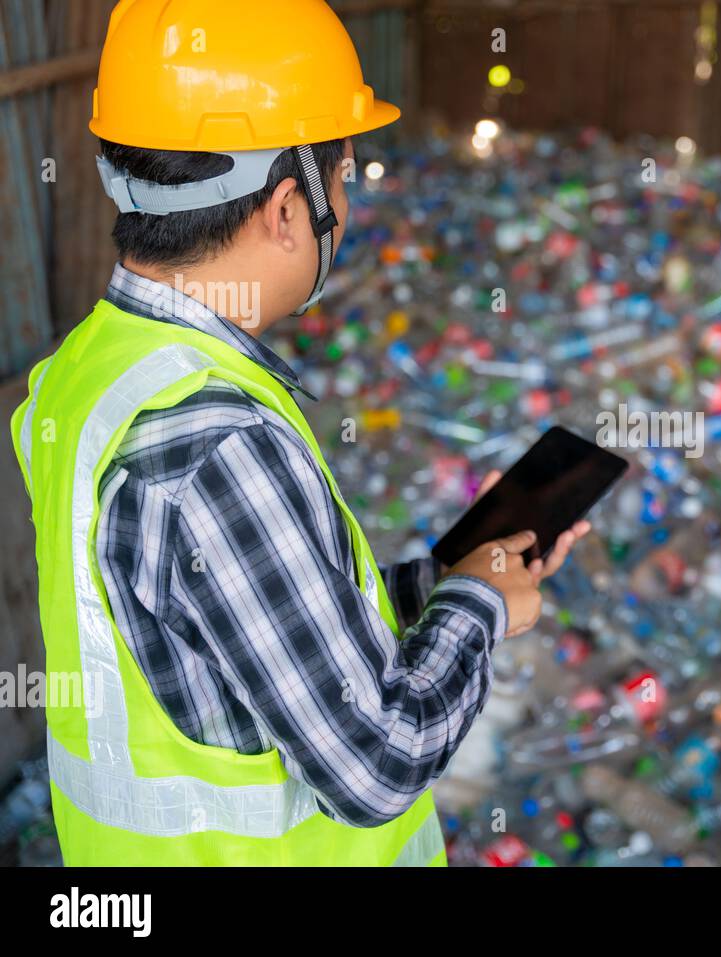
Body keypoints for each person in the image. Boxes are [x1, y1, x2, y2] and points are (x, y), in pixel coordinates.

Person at [9, 0, 588, 866]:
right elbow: (376, 767)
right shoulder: (215, 443)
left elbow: (230, 630)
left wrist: (442, 579)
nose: (346, 209)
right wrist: (483, 606)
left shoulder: (87, 372)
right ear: (288, 207)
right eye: (344, 178)